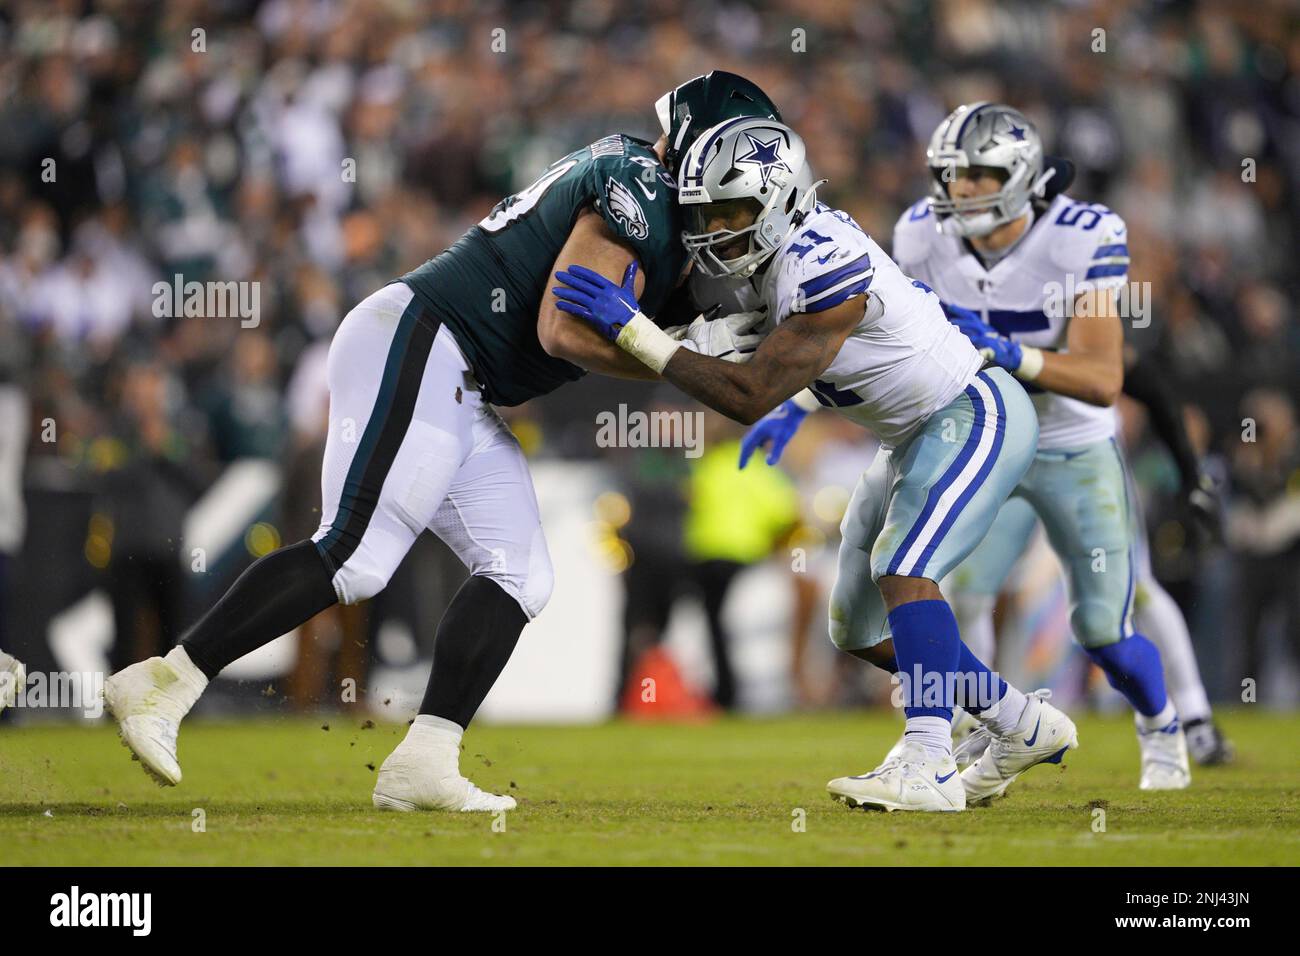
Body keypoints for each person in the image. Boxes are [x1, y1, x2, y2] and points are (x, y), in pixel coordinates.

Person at [101, 72, 781, 813]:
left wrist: (691, 336)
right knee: (355, 555)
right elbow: (565, 327)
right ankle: (165, 683)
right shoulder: (640, 191)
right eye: (733, 182)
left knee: (520, 574)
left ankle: (424, 758)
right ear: (696, 151)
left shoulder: (659, 204)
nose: (732, 212)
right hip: (425, 337)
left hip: (465, 379)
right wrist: (677, 353)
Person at [553, 116, 1075, 812]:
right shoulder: (765, 264)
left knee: (904, 570)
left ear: (782, 200)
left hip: (972, 412)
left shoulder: (820, 256)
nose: (714, 228)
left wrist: (640, 334)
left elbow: (748, 390)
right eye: (706, 212)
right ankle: (1019, 722)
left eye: (733, 211)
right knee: (857, 629)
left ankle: (928, 762)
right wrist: (786, 397)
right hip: (909, 436)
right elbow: (802, 350)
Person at [756, 103, 1188, 790]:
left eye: (980, 174)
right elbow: (892, 341)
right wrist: (801, 396)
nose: (962, 190)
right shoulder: (922, 233)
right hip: (955, 428)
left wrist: (1014, 353)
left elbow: (1105, 379)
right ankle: (1011, 724)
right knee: (917, 605)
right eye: (952, 175)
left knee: (1103, 628)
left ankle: (1165, 727)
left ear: (1020, 175)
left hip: (1068, 442)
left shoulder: (1080, 235)